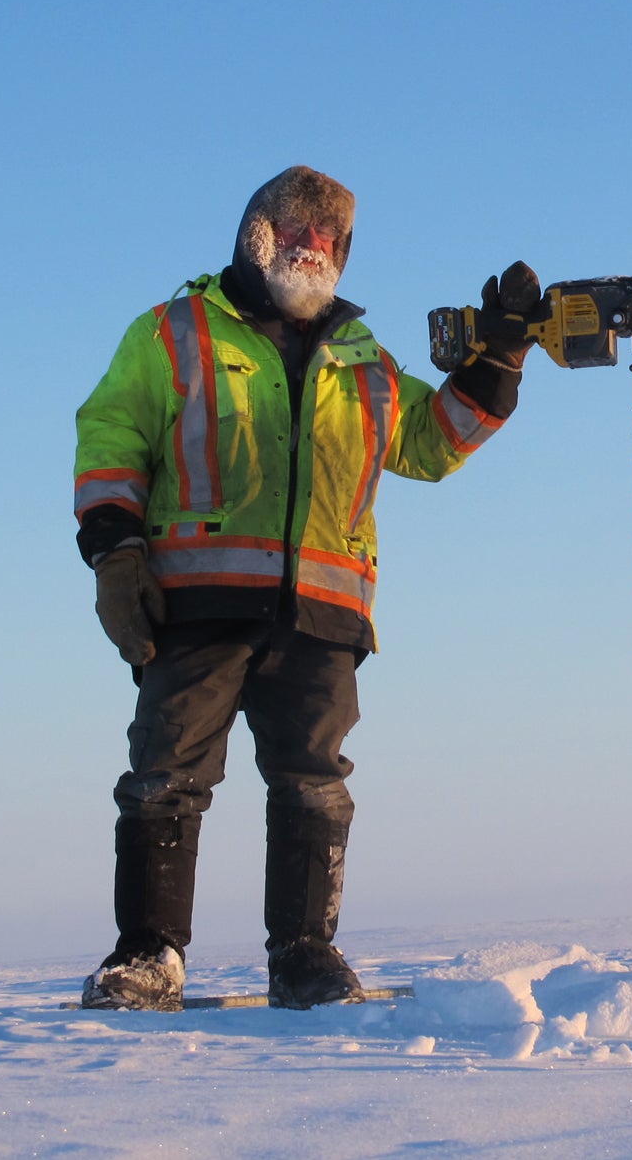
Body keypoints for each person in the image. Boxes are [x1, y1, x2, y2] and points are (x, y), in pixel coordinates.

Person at [71, 166, 538, 1010]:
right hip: (195, 603)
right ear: (256, 233)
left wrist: (499, 356)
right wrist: (114, 554)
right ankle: (147, 955)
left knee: (313, 780)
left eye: (328, 236)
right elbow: (110, 435)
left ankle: (304, 954)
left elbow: (432, 443)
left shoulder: (363, 357)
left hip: (322, 615)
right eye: (294, 229)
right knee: (165, 773)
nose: (311, 246)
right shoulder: (173, 333)